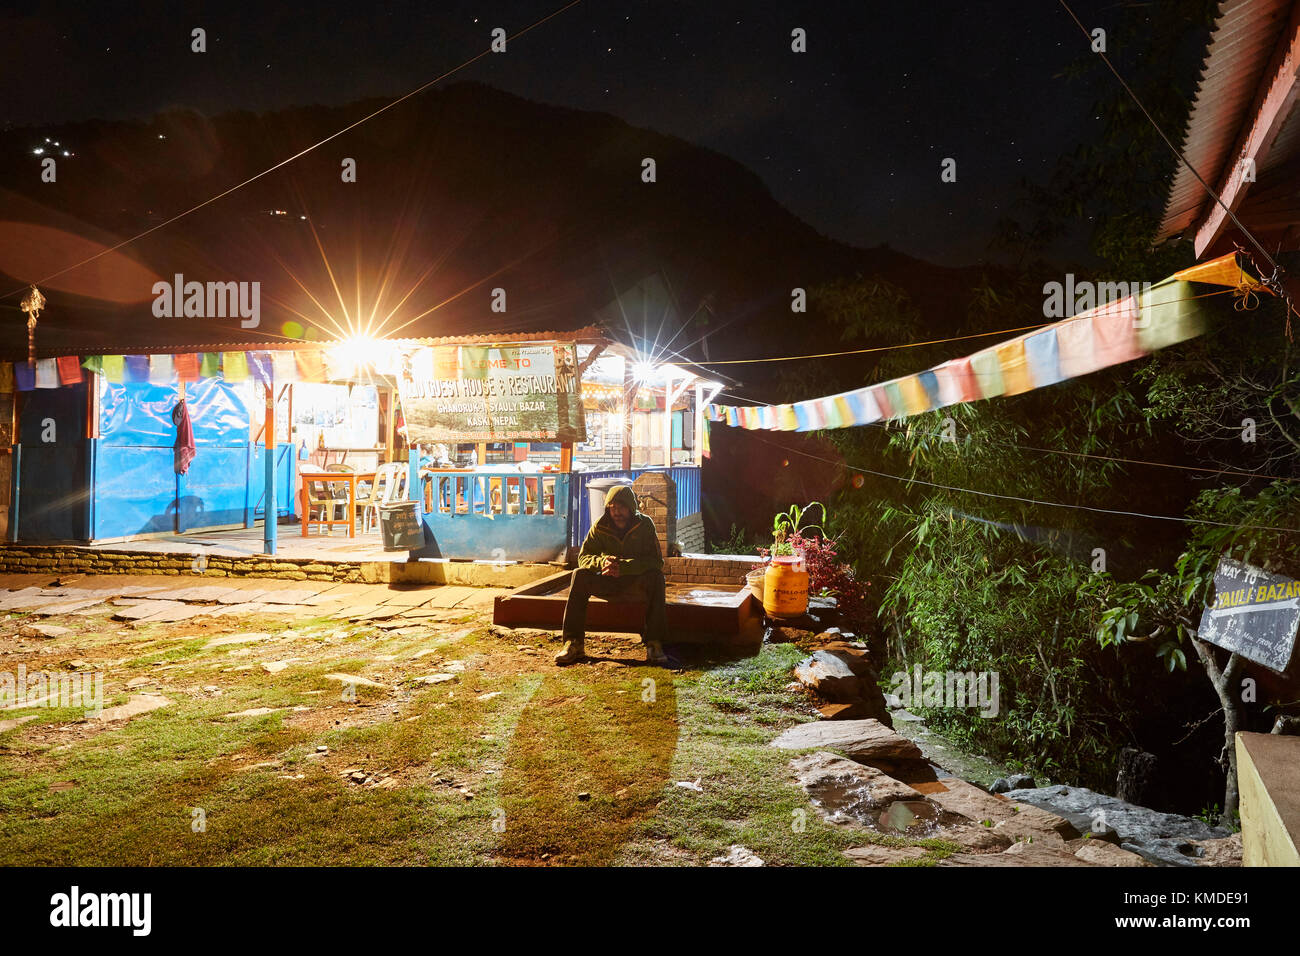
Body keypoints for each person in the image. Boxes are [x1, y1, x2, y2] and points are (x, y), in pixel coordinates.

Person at [556, 484, 669, 666]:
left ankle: (654, 643)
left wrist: (625, 567)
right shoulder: (600, 527)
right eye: (613, 507)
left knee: (656, 578)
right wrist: (602, 563)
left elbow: (656, 561)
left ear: (631, 507)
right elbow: (584, 557)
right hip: (606, 580)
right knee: (579, 575)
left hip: (634, 581)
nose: (617, 511)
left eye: (621, 506)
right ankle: (574, 643)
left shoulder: (645, 525)